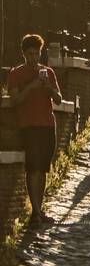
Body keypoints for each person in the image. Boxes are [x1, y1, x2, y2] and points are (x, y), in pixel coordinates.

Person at [5, 33, 63, 229]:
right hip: (28, 125)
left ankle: (39, 209)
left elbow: (58, 99)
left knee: (43, 168)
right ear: (23, 54)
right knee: (33, 168)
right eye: (30, 54)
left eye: (36, 53)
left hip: (47, 124)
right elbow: (15, 100)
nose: (34, 58)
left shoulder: (48, 72)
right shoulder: (16, 73)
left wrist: (47, 88)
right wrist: (31, 86)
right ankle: (36, 212)